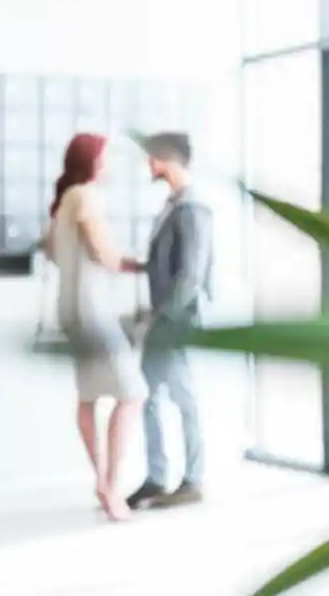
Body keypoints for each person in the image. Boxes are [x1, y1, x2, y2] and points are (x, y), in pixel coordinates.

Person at [45, 133, 148, 522]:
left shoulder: (62, 201)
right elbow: (104, 255)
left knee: (88, 395)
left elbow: (55, 255)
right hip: (94, 310)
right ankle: (110, 484)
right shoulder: (87, 196)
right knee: (132, 393)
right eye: (106, 158)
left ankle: (102, 479)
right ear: (91, 161)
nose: (111, 165)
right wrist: (138, 263)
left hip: (69, 310)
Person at [124, 132, 214, 510]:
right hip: (162, 318)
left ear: (166, 159)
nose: (149, 164)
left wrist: (163, 317)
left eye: (152, 157)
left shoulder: (193, 209)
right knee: (149, 396)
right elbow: (169, 265)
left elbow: (190, 277)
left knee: (183, 398)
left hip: (175, 323)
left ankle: (193, 479)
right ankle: (157, 477)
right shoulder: (173, 205)